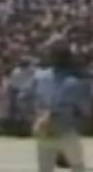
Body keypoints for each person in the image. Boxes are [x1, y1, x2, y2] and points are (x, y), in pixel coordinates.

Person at [34, 41, 89, 172]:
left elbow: (24, 97)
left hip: (44, 127)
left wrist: (39, 113)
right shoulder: (75, 81)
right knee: (78, 166)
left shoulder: (40, 76)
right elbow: (84, 106)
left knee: (45, 169)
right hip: (66, 128)